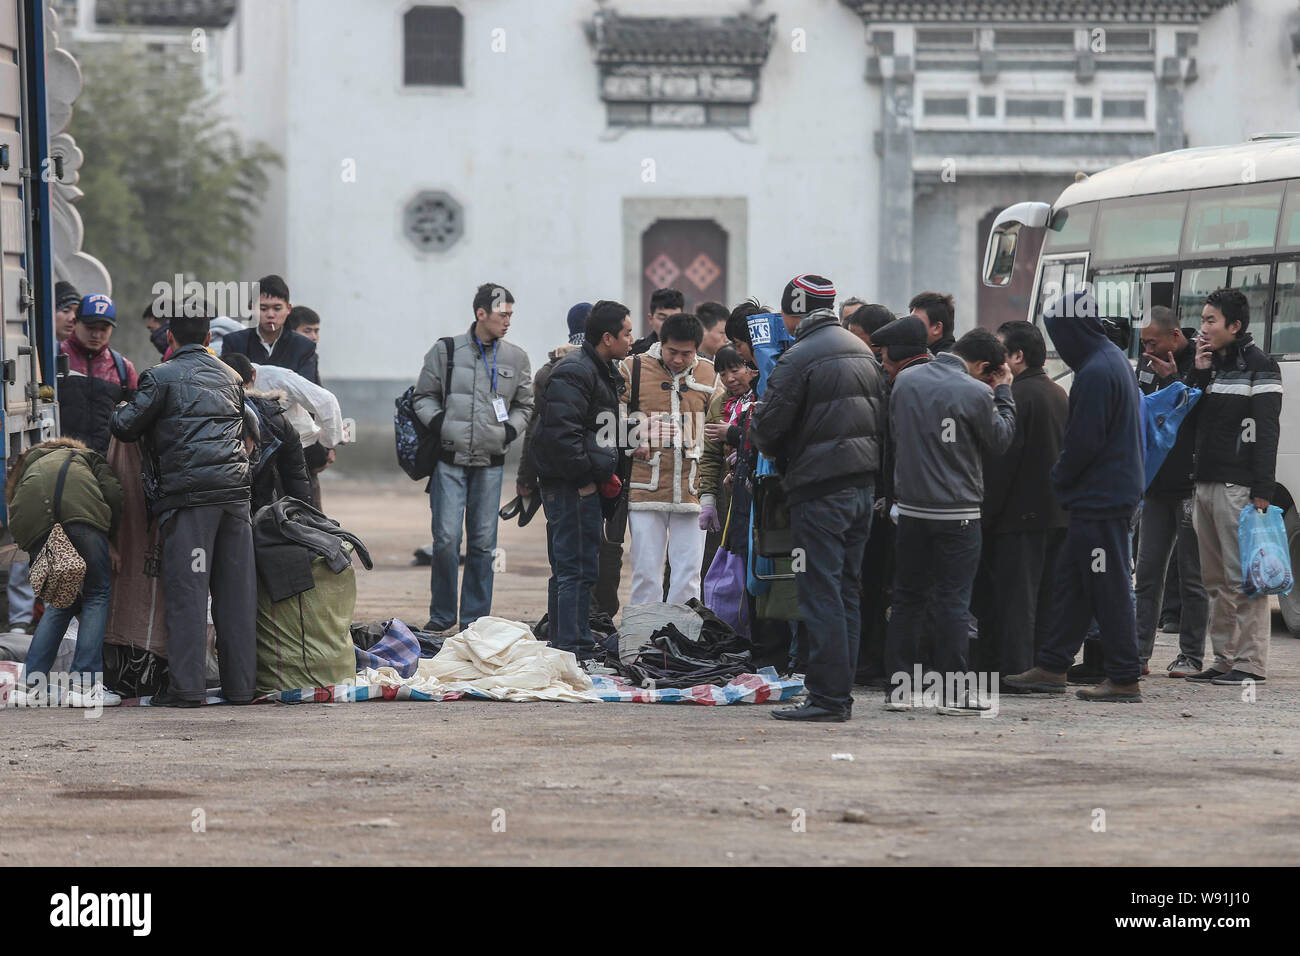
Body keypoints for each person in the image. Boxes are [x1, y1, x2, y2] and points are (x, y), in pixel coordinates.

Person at [750, 274, 884, 722]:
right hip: (861, 488)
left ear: (796, 310)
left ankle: (827, 698)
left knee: (819, 591)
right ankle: (838, 694)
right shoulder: (861, 350)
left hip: (819, 492)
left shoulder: (799, 356)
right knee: (846, 590)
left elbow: (768, 427)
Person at [110, 312, 260, 706]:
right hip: (235, 500)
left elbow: (125, 426)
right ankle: (242, 689)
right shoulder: (230, 376)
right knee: (236, 596)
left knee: (189, 594)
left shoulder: (160, 377)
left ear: (170, 337)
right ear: (209, 337)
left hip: (191, 502)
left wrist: (119, 406)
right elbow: (251, 424)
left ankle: (188, 689)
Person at [1007, 290, 1144, 702]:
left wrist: (1059, 479)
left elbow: (1083, 442)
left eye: (1058, 334)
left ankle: (1123, 676)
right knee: (1075, 583)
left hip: (1099, 500)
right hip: (1103, 496)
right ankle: (1051, 665)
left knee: (1107, 585)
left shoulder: (1096, 372)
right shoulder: (1109, 359)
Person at [885, 328, 1016, 715]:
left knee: (907, 599)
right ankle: (953, 693)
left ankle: (901, 689)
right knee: (953, 602)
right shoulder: (977, 392)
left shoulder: (905, 381)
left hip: (909, 510)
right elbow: (1001, 440)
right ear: (982, 365)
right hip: (958, 513)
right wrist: (1004, 391)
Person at [413, 283, 533, 634]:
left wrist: (508, 432)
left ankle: (475, 620)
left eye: (511, 314)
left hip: (490, 464)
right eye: (502, 314)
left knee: (483, 544)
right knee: (446, 540)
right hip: (448, 460)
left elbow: (526, 404)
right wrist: (442, 424)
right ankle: (442, 616)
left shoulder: (516, 357)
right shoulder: (446, 351)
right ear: (481, 313)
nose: (507, 321)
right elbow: (423, 397)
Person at [1182, 288, 1282, 685]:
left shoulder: (1261, 367)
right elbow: (1184, 422)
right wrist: (1199, 373)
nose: (1203, 328)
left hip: (1238, 487)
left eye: (1210, 321)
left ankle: (1250, 662)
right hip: (1204, 483)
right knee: (1214, 580)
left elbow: (1267, 431)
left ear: (1235, 326)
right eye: (1203, 320)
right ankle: (1223, 657)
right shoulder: (1209, 366)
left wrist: (1263, 488)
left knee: (1244, 578)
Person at [530, 300, 633, 658]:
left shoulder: (596, 368)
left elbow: (594, 428)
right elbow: (562, 434)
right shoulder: (576, 371)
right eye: (627, 333)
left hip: (578, 483)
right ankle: (573, 648)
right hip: (571, 487)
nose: (632, 340)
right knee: (574, 569)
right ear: (608, 338)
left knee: (573, 568)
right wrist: (585, 479)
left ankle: (567, 645)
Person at [977, 321, 1068, 686]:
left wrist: (986, 515)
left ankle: (1014, 671)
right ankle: (1044, 668)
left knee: (1017, 600)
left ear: (1017, 355)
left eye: (1001, 352)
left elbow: (1003, 462)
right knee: (1046, 599)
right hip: (1057, 514)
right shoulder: (1059, 393)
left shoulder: (1016, 398)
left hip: (1019, 517)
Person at [5, 438, 124, 708]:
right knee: (97, 593)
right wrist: (111, 537)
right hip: (83, 518)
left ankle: (29, 687)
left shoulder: (31, 468)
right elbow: (113, 491)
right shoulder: (87, 457)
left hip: (37, 527)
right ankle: (84, 686)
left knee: (61, 601)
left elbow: (16, 513)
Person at [853, 314, 932, 686]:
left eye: (883, 353)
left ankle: (897, 671)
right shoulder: (924, 379)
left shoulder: (904, 385)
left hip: (905, 506)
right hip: (925, 505)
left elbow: (897, 448)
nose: (880, 362)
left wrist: (890, 496)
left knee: (901, 591)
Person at [620, 312, 716, 607]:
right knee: (645, 571)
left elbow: (719, 420)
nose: (678, 359)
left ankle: (682, 639)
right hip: (644, 486)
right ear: (661, 342)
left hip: (692, 488)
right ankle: (641, 641)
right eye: (672, 351)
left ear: (697, 348)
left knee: (689, 573)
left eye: (686, 353)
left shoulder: (710, 374)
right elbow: (608, 419)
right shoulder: (632, 368)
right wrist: (636, 436)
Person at [1133, 306, 1207, 678]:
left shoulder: (1202, 359)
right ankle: (1138, 652)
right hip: (1155, 485)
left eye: (1152, 341)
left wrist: (1175, 380)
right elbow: (1141, 413)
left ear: (1175, 337)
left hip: (1190, 484)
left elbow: (1196, 413)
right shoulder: (1146, 365)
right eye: (1143, 343)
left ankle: (1191, 655)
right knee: (1147, 573)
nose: (1146, 349)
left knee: (1192, 576)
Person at [222, 353, 312, 512]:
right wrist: (302, 513)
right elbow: (295, 472)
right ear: (253, 374)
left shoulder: (207, 412)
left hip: (216, 506)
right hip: (261, 507)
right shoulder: (274, 417)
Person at [698, 345, 756, 583]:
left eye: (735, 369)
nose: (729, 379)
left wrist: (737, 437)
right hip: (729, 495)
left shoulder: (762, 397)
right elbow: (710, 455)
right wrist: (708, 499)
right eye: (722, 373)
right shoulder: (719, 404)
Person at [58, 294, 139, 456]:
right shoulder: (54, 357)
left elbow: (136, 421)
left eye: (103, 329)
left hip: (105, 464)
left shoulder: (123, 368)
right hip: (60, 461)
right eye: (90, 327)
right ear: (75, 322)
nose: (96, 335)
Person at [220, 275, 320, 384]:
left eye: (277, 308)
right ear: (252, 308)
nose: (270, 315)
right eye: (263, 308)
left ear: (288, 309)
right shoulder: (234, 342)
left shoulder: (304, 347)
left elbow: (307, 391)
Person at [630, 287, 684, 355]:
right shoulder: (635, 352)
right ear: (651, 319)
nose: (668, 324)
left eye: (674, 319)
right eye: (662, 318)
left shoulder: (694, 355)